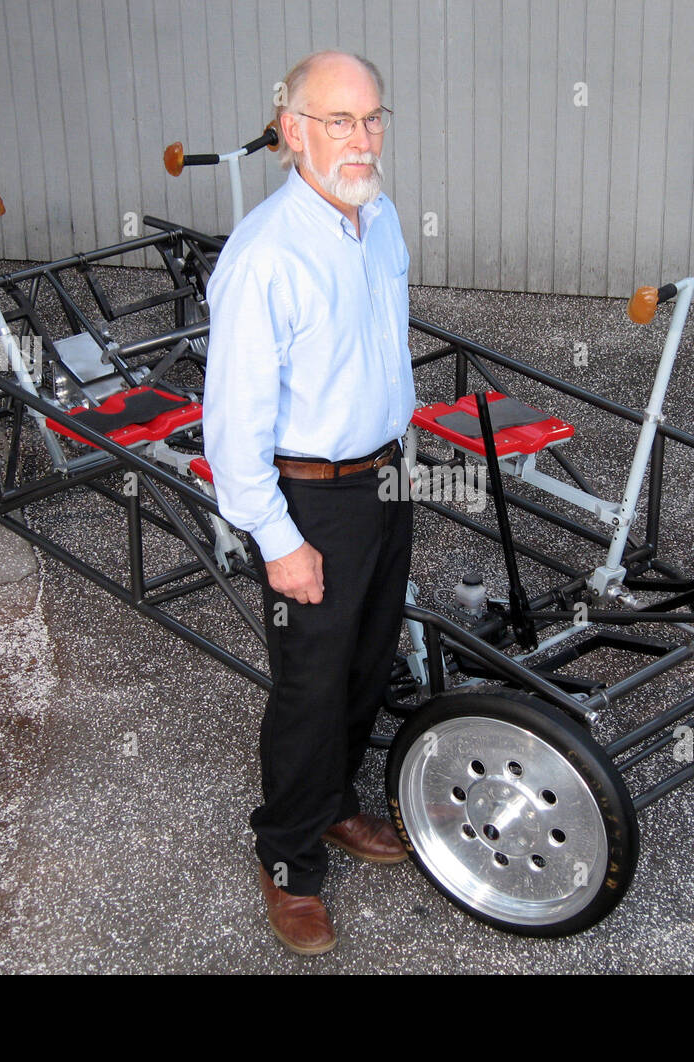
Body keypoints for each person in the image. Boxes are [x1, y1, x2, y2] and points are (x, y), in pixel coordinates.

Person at [200, 51, 415, 956]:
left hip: (385, 480)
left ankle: (334, 804)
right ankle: (287, 857)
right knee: (310, 685)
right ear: (292, 132)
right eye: (338, 121)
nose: (362, 139)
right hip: (311, 498)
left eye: (372, 118)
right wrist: (279, 538)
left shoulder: (381, 217)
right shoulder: (263, 257)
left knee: (368, 663)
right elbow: (230, 429)